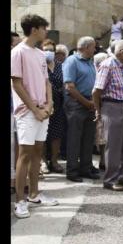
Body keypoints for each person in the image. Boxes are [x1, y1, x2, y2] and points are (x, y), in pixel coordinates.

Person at [12, 14, 59, 219]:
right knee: (24, 154)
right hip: (27, 111)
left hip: (43, 110)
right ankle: (20, 201)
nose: (46, 31)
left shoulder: (40, 54)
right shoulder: (17, 52)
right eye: (43, 28)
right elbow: (17, 84)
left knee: (38, 152)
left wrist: (49, 104)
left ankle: (34, 194)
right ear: (34, 29)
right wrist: (35, 109)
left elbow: (46, 82)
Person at [92, 40, 123, 192]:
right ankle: (110, 179)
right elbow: (96, 91)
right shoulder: (108, 65)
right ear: (122, 52)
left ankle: (122, 176)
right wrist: (98, 111)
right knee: (113, 145)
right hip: (112, 106)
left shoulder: (121, 67)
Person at [62, 36, 99, 183]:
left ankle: (85, 168)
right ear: (86, 47)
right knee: (75, 139)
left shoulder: (90, 61)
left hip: (89, 103)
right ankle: (72, 171)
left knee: (88, 138)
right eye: (93, 47)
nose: (95, 49)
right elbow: (69, 86)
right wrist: (86, 102)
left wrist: (92, 103)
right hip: (76, 103)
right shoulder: (72, 61)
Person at [44, 45, 68, 174]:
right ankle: (42, 162)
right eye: (45, 49)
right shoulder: (38, 64)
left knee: (57, 134)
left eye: (50, 50)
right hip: (42, 104)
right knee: (42, 134)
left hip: (58, 105)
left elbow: (66, 82)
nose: (48, 52)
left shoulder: (60, 65)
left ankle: (54, 161)